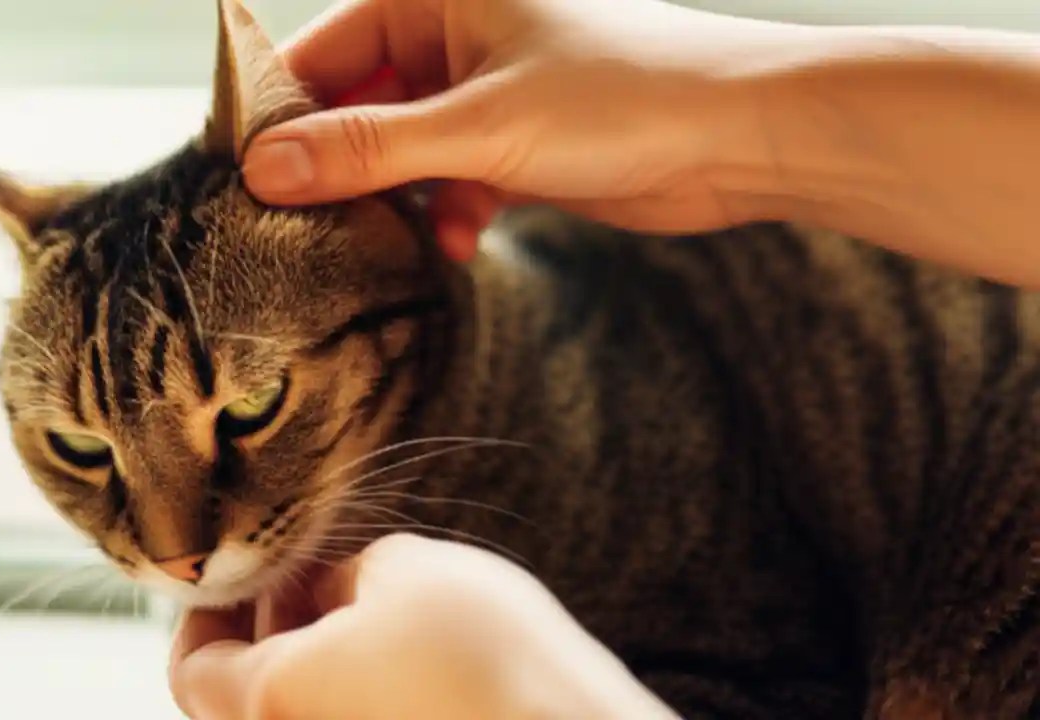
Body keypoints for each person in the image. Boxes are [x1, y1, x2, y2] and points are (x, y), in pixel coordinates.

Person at [170, 0, 1040, 717]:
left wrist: (515, 702)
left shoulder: (568, 435)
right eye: (80, 453)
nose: (180, 548)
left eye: (248, 409)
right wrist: (737, 114)